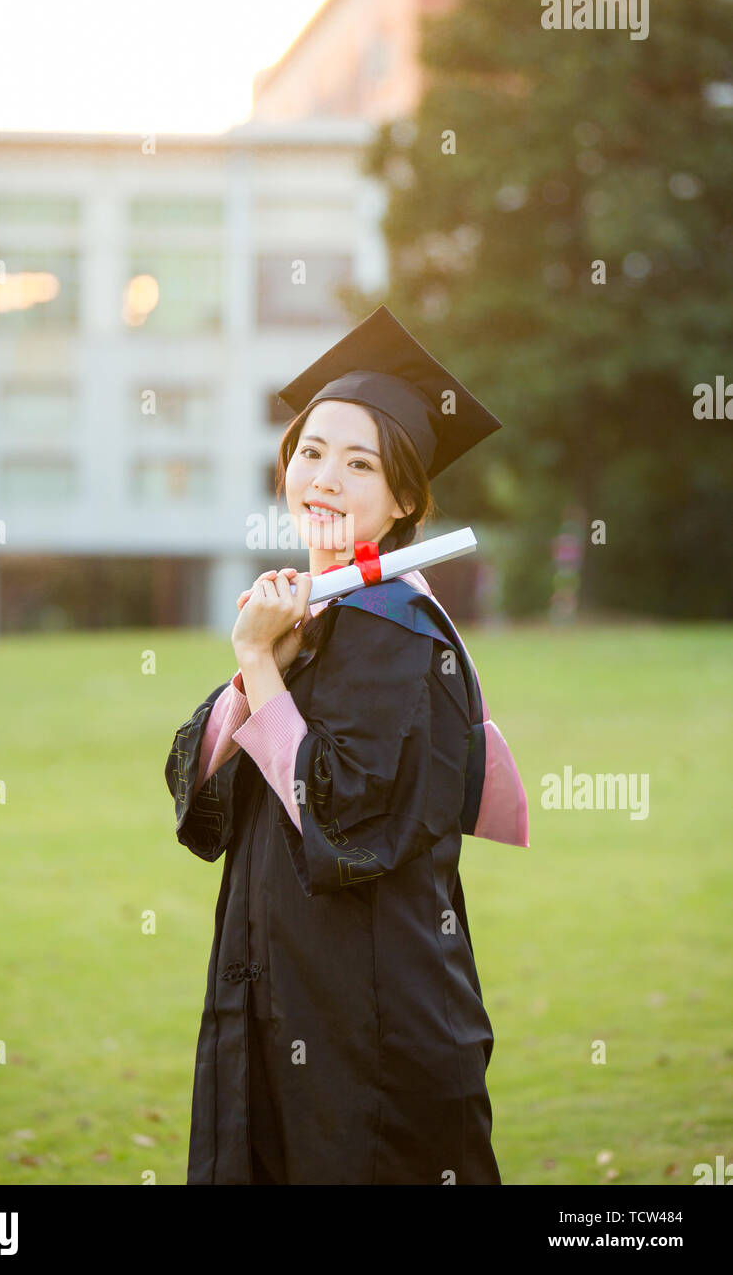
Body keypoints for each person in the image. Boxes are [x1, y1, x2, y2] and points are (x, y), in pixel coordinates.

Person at [164, 305, 528, 1185]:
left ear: (405, 501)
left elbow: (339, 814)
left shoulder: (395, 626)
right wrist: (263, 666)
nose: (323, 478)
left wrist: (257, 659)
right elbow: (201, 783)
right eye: (312, 451)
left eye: (360, 463)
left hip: (368, 1015)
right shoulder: (316, 611)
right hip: (285, 988)